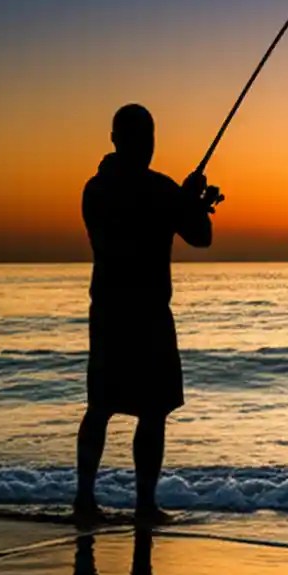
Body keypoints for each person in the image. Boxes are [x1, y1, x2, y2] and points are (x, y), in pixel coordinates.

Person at [76, 103, 224, 526]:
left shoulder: (96, 189)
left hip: (109, 312)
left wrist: (187, 200)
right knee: (148, 411)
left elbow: (195, 232)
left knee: (103, 406)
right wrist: (188, 201)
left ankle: (88, 500)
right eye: (144, 137)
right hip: (144, 314)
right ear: (126, 140)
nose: (148, 145)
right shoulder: (155, 191)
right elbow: (201, 237)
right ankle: (140, 505)